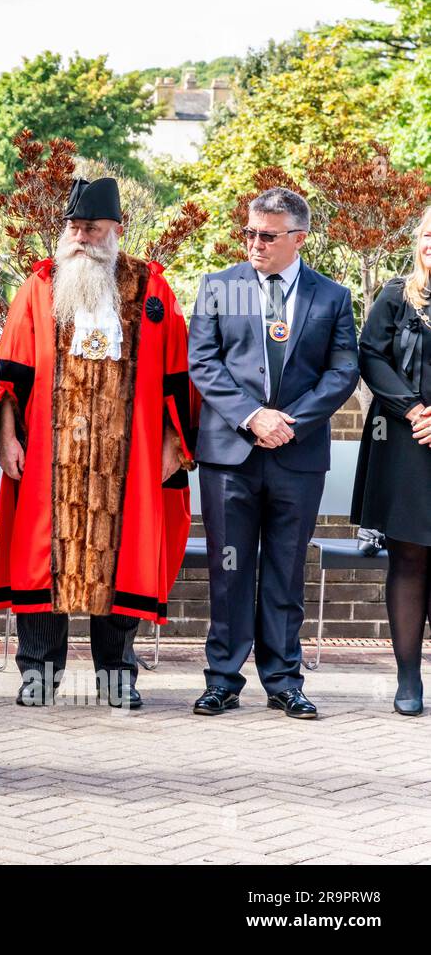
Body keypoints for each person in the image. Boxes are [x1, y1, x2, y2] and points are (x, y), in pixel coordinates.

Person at [0, 177, 196, 710]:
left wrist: (175, 444)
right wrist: (7, 437)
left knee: (122, 563)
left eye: (92, 228)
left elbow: (177, 371)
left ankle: (117, 675)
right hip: (47, 460)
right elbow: (11, 369)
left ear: (116, 231)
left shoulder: (152, 287)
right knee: (42, 563)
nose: (81, 237)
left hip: (131, 457)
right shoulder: (40, 286)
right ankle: (37, 674)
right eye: (74, 227)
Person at [189, 187, 359, 719]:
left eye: (267, 235)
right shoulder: (222, 287)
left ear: (298, 238)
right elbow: (204, 361)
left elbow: (342, 371)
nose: (254, 244)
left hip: (296, 455)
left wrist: (291, 422)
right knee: (229, 568)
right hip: (231, 455)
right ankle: (222, 679)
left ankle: (284, 680)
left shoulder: (330, 296)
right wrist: (252, 416)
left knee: (286, 570)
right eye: (249, 233)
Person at [351, 204, 431, 715]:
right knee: (408, 557)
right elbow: (370, 355)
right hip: (405, 440)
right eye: (428, 234)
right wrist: (413, 408)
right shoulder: (396, 296)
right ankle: (407, 679)